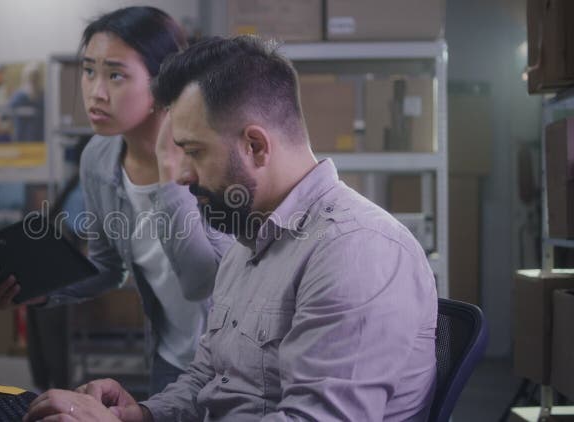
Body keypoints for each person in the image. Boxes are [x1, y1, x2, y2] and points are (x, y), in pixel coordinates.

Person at [23, 35, 438, 422]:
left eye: (194, 152)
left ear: (255, 146)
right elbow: (208, 378)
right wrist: (140, 414)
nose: (181, 176)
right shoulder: (246, 241)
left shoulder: (355, 251)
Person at [0, 7, 234, 394]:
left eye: (115, 75)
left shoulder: (208, 157)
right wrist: (41, 289)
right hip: (171, 361)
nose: (95, 92)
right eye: (88, 71)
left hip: (236, 365)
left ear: (162, 83)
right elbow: (108, 267)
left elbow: (203, 280)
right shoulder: (98, 159)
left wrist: (169, 172)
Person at [9, 62, 45, 142]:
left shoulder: (43, 97)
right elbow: (8, 117)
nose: (32, 79)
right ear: (25, 77)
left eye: (35, 76)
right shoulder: (18, 97)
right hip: (21, 141)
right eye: (30, 76)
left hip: (40, 141)